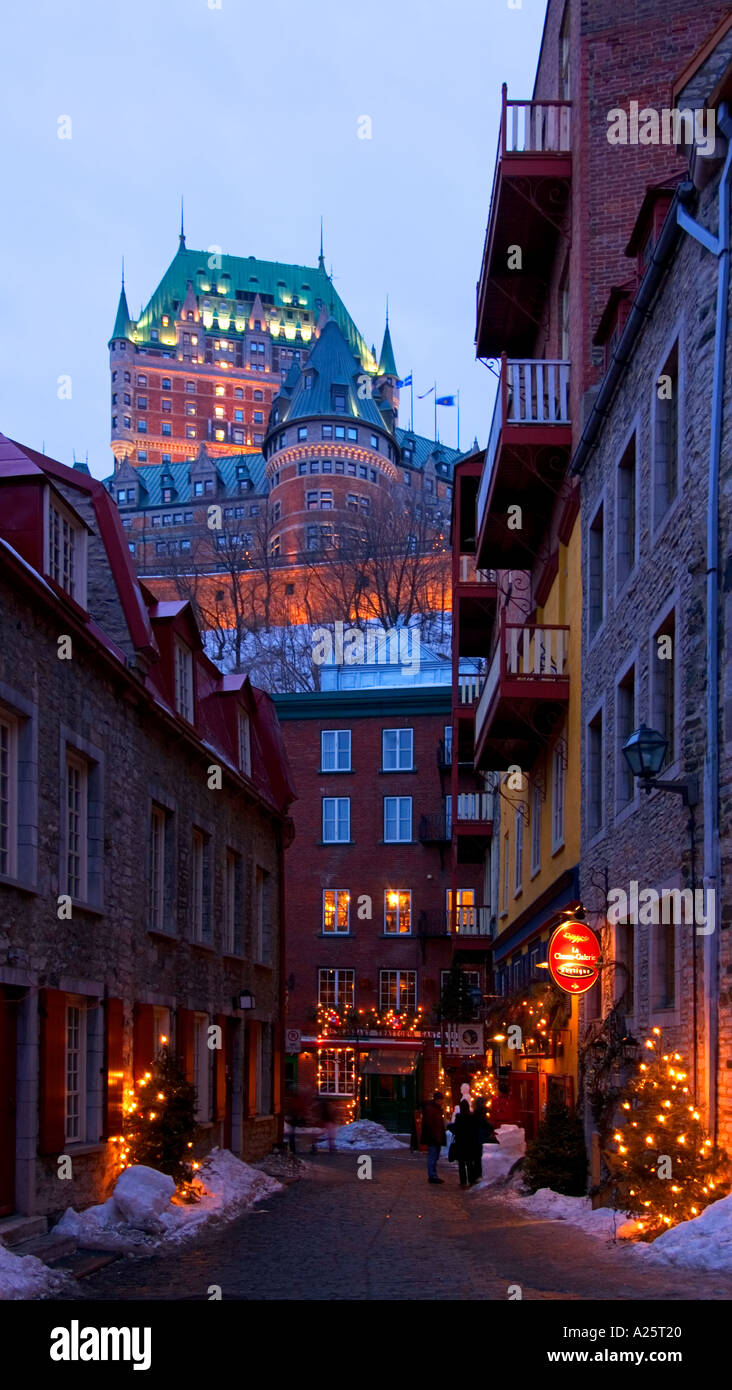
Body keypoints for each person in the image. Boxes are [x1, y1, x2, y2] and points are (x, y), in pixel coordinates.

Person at [421, 1090, 447, 1184]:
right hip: (433, 1136)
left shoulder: (437, 1109)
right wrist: (435, 1135)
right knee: (432, 1156)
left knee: (435, 1156)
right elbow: (431, 1124)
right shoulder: (431, 1109)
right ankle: (432, 1175)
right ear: (437, 1100)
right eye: (440, 1100)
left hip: (436, 1136)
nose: (442, 1102)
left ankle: (433, 1174)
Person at [452, 1098, 478, 1187]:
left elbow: (455, 1129)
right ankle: (471, 1180)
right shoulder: (472, 1117)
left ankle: (463, 1181)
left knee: (462, 1164)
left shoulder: (458, 1118)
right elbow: (475, 1130)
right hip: (470, 1143)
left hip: (460, 1143)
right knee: (470, 1162)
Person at [471, 1097, 497, 1184]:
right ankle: (477, 1174)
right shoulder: (481, 1113)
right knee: (479, 1155)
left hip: (476, 1136)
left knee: (477, 1156)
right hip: (480, 1136)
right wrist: (490, 1126)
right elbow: (483, 1123)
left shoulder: (476, 1113)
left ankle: (476, 1174)